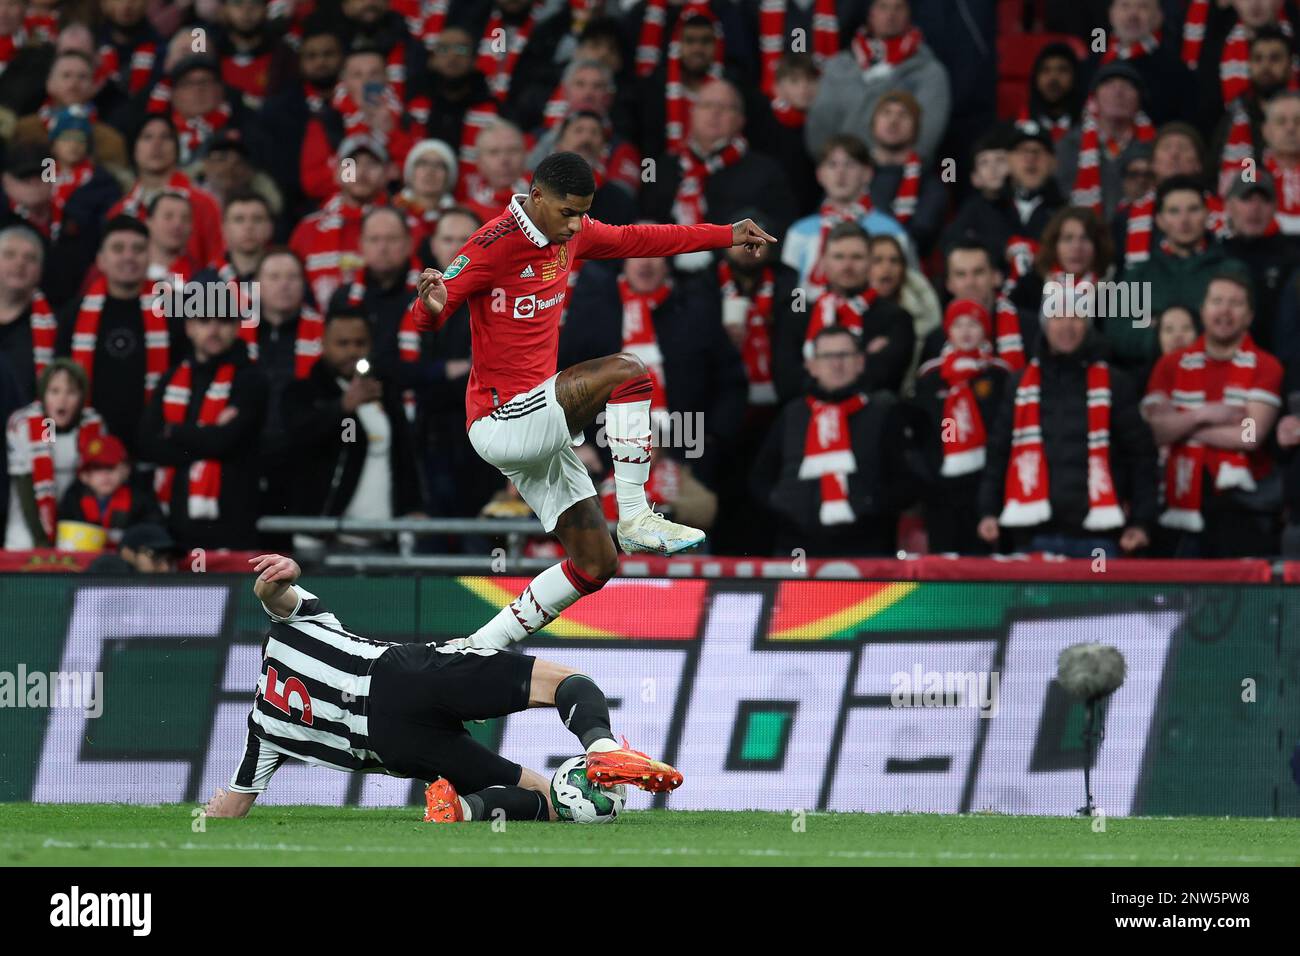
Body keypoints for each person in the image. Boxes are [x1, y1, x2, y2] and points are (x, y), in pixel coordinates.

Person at [404, 151, 774, 650]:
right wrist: (429, 307)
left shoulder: (572, 234)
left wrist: (726, 234)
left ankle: (475, 649)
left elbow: (640, 240)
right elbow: (432, 309)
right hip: (499, 418)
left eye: (583, 213)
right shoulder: (492, 244)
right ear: (536, 197)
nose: (577, 224)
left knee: (595, 564)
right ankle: (636, 514)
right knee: (628, 374)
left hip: (538, 421)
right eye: (568, 212)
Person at [202, 553, 683, 821]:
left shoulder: (263, 732)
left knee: (543, 800)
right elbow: (274, 593)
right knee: (569, 683)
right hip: (402, 679)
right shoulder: (287, 632)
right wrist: (278, 576)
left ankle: (463, 811)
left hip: (398, 748)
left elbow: (232, 807)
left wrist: (202, 817)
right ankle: (600, 747)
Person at [977, 296, 1158, 558]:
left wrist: (1142, 522)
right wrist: (988, 512)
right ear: (1044, 325)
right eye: (1058, 317)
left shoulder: (1115, 383)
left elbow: (1141, 457)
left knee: (1098, 602)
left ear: (1088, 326)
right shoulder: (1018, 384)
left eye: (1076, 317)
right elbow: (998, 454)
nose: (1067, 326)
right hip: (1032, 534)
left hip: (1099, 538)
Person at [1143, 272, 1283, 557]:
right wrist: (1206, 414)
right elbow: (1154, 432)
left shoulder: (1266, 366)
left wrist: (1184, 422)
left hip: (1243, 509)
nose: (1224, 310)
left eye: (1235, 303)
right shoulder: (1169, 365)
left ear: (1250, 316)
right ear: (1203, 310)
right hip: (1174, 504)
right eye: (1217, 301)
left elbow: (1249, 436)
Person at [750, 325, 911, 557]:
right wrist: (784, 504)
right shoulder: (793, 413)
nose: (836, 364)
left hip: (867, 551)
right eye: (827, 356)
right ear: (812, 366)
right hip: (795, 548)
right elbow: (760, 477)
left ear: (860, 362)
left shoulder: (884, 411)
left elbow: (907, 482)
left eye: (844, 355)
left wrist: (870, 506)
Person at [280, 306, 424, 539]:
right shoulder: (301, 392)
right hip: (320, 536)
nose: (352, 351)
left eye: (360, 343)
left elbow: (404, 456)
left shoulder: (386, 393)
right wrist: (342, 407)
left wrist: (413, 505)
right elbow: (299, 440)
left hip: (384, 536)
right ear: (323, 344)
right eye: (343, 343)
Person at [136, 300, 269, 550]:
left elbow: (226, 441)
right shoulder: (171, 377)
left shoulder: (252, 380)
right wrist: (207, 438)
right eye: (205, 321)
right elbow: (147, 443)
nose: (214, 330)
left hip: (232, 521)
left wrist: (173, 431)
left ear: (238, 327)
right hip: (172, 521)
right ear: (189, 327)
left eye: (224, 322)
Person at [908, 299, 1013, 554]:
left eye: (974, 324)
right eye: (958, 324)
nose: (966, 331)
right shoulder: (931, 375)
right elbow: (922, 431)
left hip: (985, 485)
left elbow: (1005, 430)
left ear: (985, 329)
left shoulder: (999, 374)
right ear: (948, 330)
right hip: (942, 488)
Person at [805, 0, 952, 165]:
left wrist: (889, 168)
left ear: (909, 14)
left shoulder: (928, 71)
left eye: (898, 8)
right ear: (870, 13)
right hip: (844, 174)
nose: (890, 15)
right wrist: (835, 168)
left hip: (901, 174)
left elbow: (927, 133)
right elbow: (820, 124)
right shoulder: (838, 66)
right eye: (883, 7)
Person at [4, 358, 107, 550]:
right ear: (43, 393)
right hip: (32, 513)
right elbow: (25, 486)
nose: (62, 400)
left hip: (74, 512)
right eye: (55, 391)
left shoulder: (92, 424)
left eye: (71, 392)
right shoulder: (36, 424)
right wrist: (42, 538)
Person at [83, 522, 182, 574]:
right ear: (127, 553)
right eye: (156, 557)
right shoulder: (108, 568)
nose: (165, 568)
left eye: (170, 560)